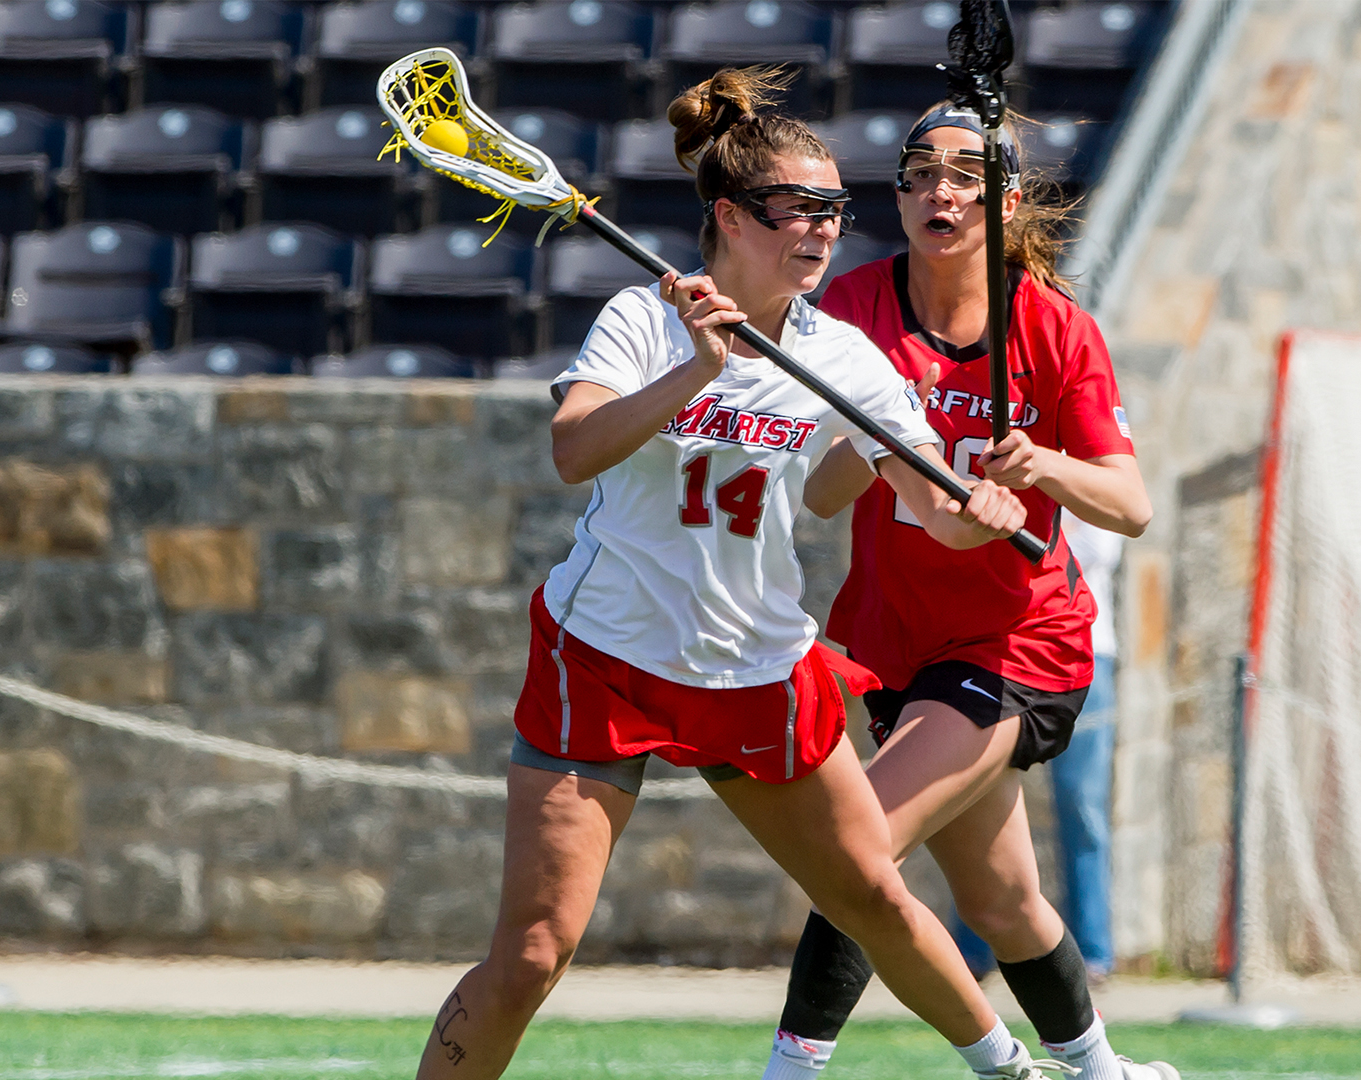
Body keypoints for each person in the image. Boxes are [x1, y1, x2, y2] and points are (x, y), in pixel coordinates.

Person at [414, 70, 1065, 1080]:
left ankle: (1012, 1072)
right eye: (796, 209)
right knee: (537, 951)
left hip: (754, 665)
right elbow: (574, 449)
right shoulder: (645, 318)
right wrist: (700, 370)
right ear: (728, 214)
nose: (820, 231)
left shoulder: (844, 359)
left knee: (874, 898)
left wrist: (984, 513)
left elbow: (933, 511)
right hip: (608, 652)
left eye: (835, 212)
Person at [758, 102, 1171, 1080]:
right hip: (897, 643)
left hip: (1018, 642)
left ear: (1004, 201)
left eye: (962, 177)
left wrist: (1041, 467)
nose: (937, 192)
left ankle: (796, 1070)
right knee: (1003, 904)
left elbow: (1131, 503)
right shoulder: (852, 311)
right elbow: (821, 493)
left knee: (854, 849)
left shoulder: (1053, 329)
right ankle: (1101, 1072)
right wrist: (874, 440)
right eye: (917, 174)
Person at [1048, 511, 1123, 984]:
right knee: (978, 802)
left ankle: (1092, 953)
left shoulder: (1096, 461)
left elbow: (1093, 552)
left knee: (1083, 806)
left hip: (1087, 653)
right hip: (1002, 646)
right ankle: (975, 950)